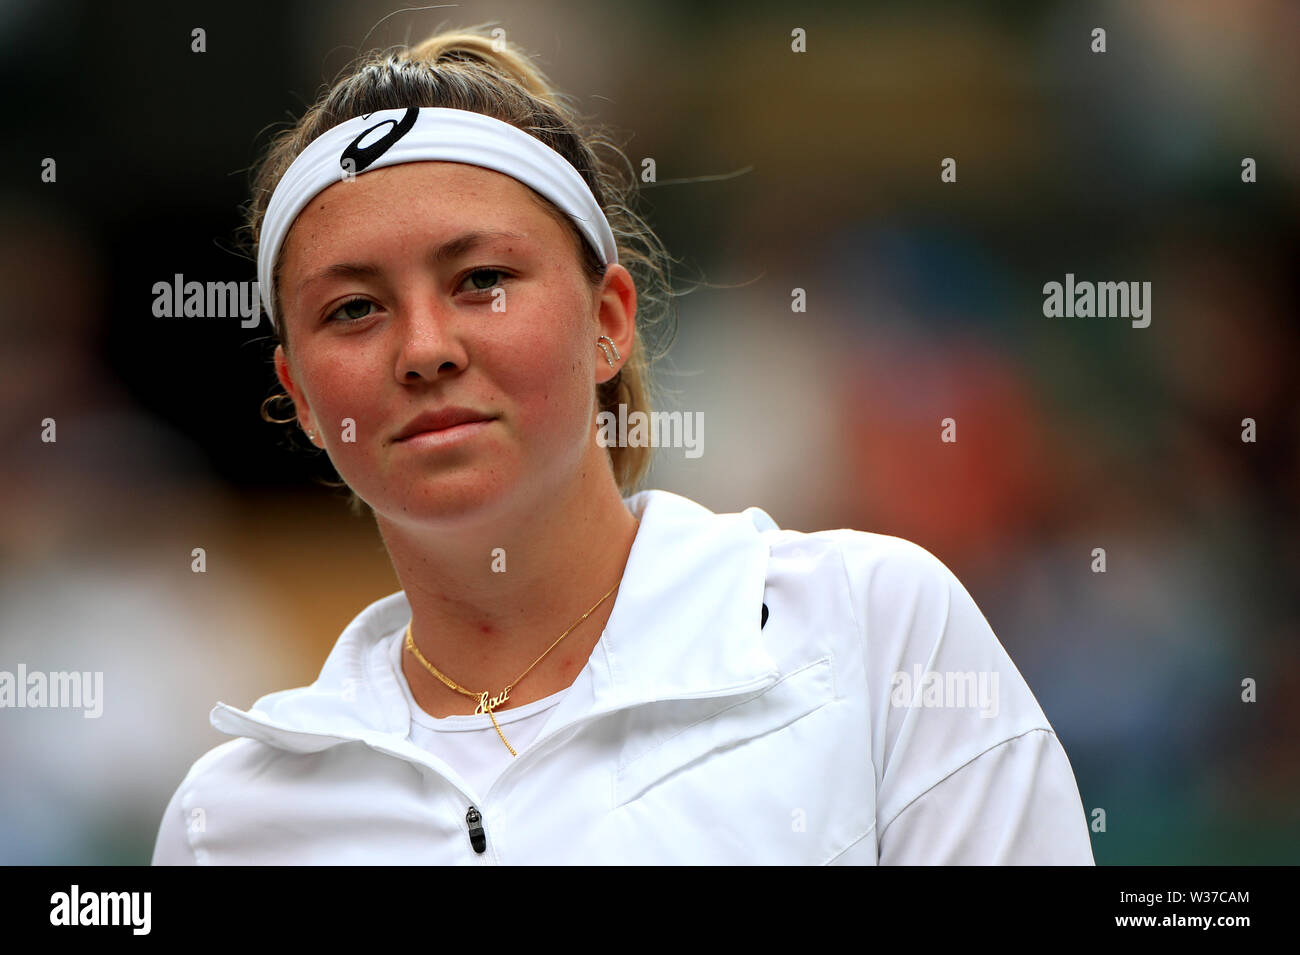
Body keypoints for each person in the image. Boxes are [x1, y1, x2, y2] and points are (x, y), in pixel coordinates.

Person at [151, 25, 1094, 865]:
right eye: (353, 308)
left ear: (608, 321)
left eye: (482, 278)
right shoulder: (223, 823)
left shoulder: (874, 626)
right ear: (302, 398)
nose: (426, 349)